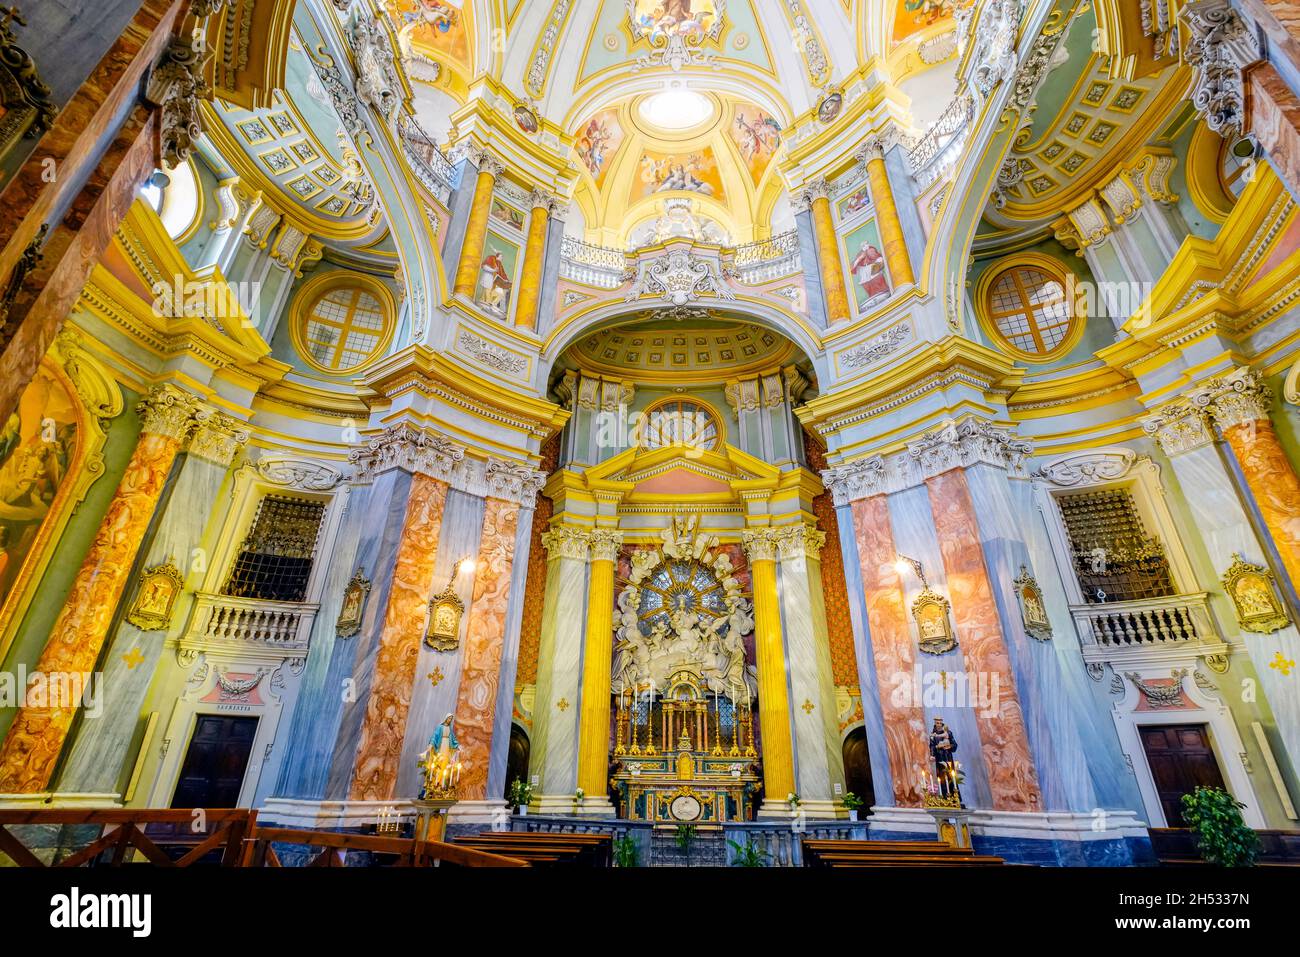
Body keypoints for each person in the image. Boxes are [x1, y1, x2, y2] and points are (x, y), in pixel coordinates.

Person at [929, 716, 959, 801]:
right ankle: (944, 797)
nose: (938, 725)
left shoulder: (948, 733)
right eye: (936, 723)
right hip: (939, 758)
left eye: (939, 723)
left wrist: (949, 746)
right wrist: (932, 754)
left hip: (948, 757)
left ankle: (955, 798)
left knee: (951, 776)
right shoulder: (933, 735)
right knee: (941, 778)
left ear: (942, 722)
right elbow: (931, 746)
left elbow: (954, 745)